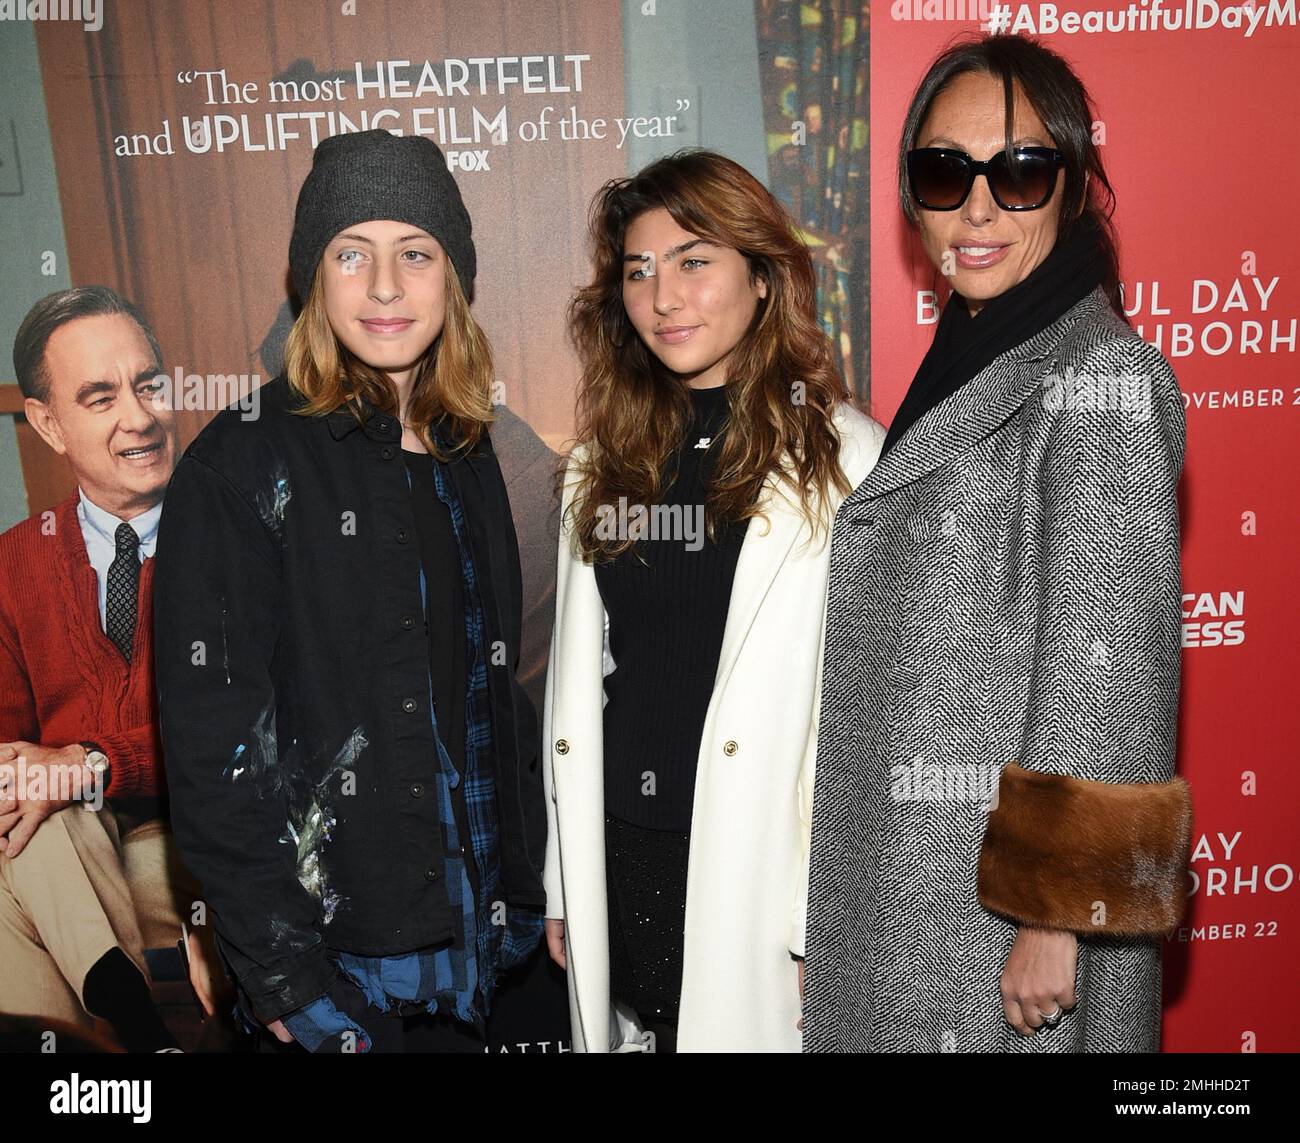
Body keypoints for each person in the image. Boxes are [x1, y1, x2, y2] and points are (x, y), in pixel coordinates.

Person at [803, 34, 1192, 1053]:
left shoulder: (1099, 376)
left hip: (1002, 931)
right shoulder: (977, 352)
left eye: (1017, 173)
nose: (975, 210)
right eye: (944, 173)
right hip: (931, 894)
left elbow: (1106, 669)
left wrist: (1056, 915)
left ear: (1068, 185)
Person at [152, 129, 546, 1053]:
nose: (382, 287)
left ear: (453, 277)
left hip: (475, 946)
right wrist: (283, 973)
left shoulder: (469, 452)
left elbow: (487, 695)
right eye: (350, 254)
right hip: (335, 971)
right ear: (311, 280)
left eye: (415, 254)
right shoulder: (238, 461)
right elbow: (214, 754)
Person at [542, 149, 884, 1052]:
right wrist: (563, 879)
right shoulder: (599, 464)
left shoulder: (848, 463)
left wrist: (824, 922)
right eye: (639, 270)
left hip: (758, 869)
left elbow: (859, 719)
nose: (663, 296)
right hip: (621, 853)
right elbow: (578, 695)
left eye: (694, 261)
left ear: (764, 279)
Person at [1, 286, 213, 1052]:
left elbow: (243, 733)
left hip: (194, 846)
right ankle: (130, 1035)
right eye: (100, 397)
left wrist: (90, 762)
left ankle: (105, 1051)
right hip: (72, 855)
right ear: (48, 423)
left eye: (149, 384)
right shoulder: (15, 561)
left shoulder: (234, 537)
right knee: (21, 822)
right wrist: (34, 775)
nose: (140, 416)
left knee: (36, 825)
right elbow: (12, 753)